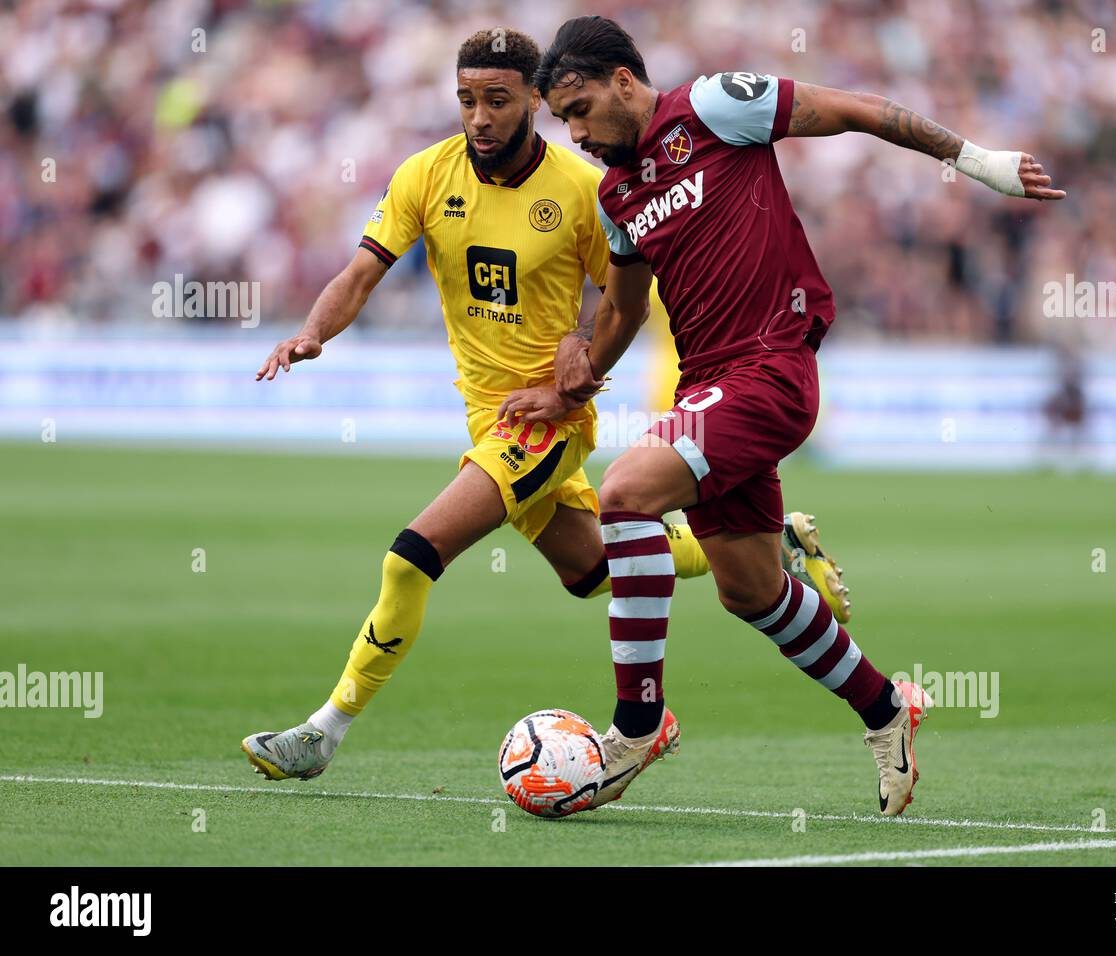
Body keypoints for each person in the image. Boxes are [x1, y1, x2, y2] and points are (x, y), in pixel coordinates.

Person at [240, 28, 846, 782]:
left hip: (541, 425)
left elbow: (627, 301)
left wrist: (577, 372)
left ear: (536, 98)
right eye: (466, 100)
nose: (479, 117)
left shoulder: (582, 189)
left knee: (411, 558)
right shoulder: (425, 176)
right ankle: (775, 543)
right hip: (484, 417)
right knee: (591, 571)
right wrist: (311, 333)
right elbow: (361, 273)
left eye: (497, 100)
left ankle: (322, 733)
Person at [503, 15, 1065, 814]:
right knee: (750, 590)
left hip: (772, 368)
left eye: (582, 109)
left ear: (624, 83)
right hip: (707, 386)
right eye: (565, 121)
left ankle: (635, 725)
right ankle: (885, 707)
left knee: (624, 492)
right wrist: (574, 376)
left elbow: (857, 110)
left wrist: (976, 162)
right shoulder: (616, 196)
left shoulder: (711, 107)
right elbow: (623, 315)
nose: (578, 133)